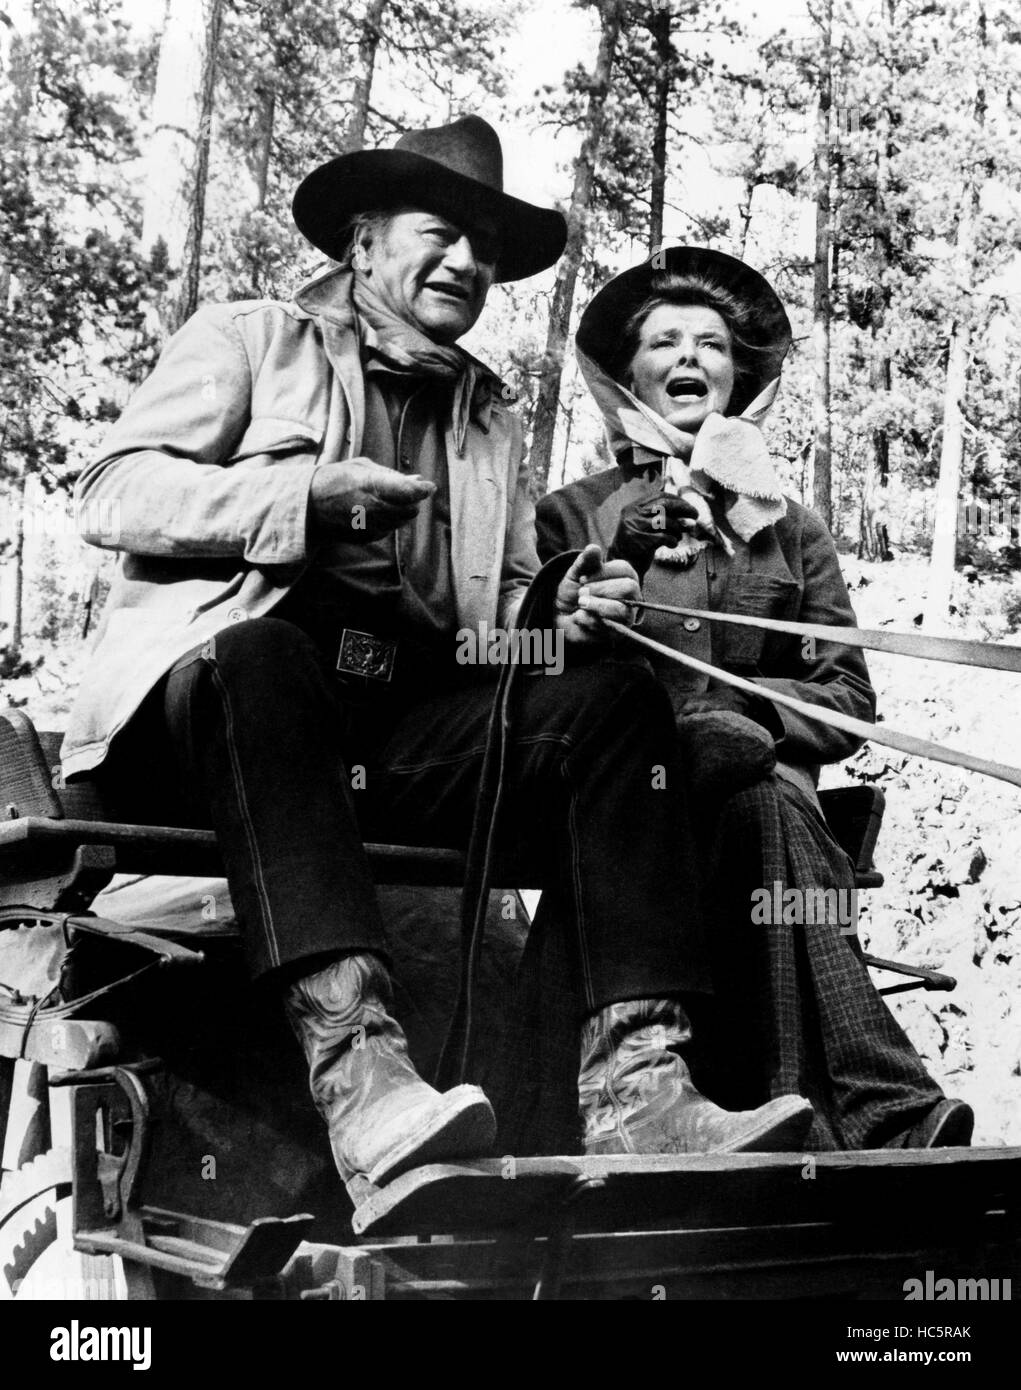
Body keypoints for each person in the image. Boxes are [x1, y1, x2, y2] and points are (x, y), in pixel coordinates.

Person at [62, 123, 814, 1198]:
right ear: (363, 243)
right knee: (264, 653)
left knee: (612, 705)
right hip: (198, 727)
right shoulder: (250, 338)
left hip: (375, 744)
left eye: (486, 247)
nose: (467, 260)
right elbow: (110, 492)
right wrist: (291, 503)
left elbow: (494, 615)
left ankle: (637, 1085)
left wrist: (563, 603)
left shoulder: (489, 418)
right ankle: (361, 1075)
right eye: (441, 232)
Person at [536, 246, 972, 1149]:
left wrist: (748, 716)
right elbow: (533, 667)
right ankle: (876, 1109)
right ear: (627, 376)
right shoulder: (571, 515)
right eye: (663, 343)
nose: (688, 359)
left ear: (739, 378)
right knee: (758, 799)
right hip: (622, 810)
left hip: (757, 797)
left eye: (710, 345)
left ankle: (793, 1116)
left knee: (762, 794)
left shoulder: (788, 525)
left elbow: (847, 694)